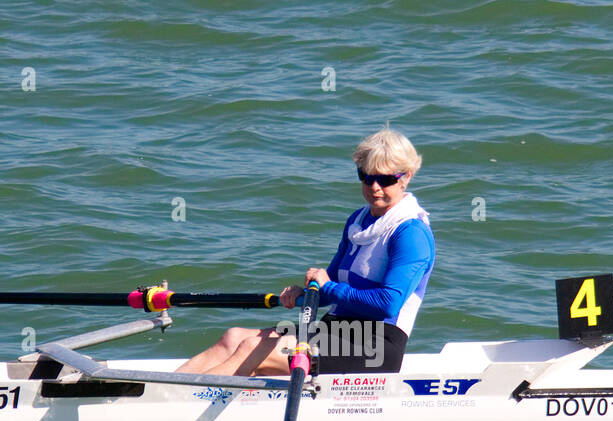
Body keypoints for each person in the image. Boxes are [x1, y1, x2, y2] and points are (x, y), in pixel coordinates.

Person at [176, 128, 435, 376]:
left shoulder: (411, 234)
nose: (375, 186)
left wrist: (329, 288)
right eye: (366, 176)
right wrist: (306, 294)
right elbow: (330, 285)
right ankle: (155, 391)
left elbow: (388, 304)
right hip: (334, 330)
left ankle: (184, 404)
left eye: (386, 179)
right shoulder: (358, 221)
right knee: (233, 337)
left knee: (256, 350)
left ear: (407, 176)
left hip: (377, 345)